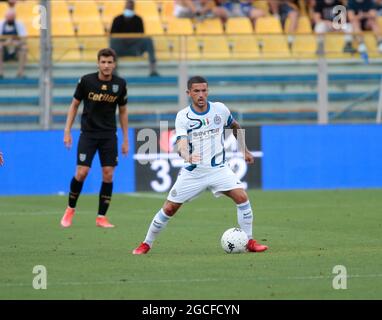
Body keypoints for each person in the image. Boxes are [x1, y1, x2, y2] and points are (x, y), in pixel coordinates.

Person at [132, 76, 269, 255]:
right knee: (169, 208)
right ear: (189, 93)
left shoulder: (220, 109)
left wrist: (244, 149)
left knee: (242, 197)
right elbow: (180, 143)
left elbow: (234, 126)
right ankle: (146, 243)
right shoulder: (183, 116)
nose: (201, 95)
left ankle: (250, 241)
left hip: (219, 169)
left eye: (204, 90)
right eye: (196, 91)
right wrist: (187, 155)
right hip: (194, 172)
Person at [60, 48, 129, 229]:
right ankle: (70, 209)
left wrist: (125, 138)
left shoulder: (120, 84)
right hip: (88, 134)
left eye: (109, 62)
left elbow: (122, 111)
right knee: (81, 172)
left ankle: (101, 217)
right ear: (98, 63)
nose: (106, 66)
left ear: (114, 64)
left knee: (108, 174)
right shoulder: (86, 81)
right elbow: (74, 105)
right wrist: (67, 131)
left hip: (109, 135)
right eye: (103, 62)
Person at [109, 0, 160, 77]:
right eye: (128, 6)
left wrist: (131, 39)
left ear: (133, 7)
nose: (129, 8)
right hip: (120, 47)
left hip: (135, 48)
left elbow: (141, 34)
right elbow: (112, 35)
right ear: (124, 6)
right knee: (113, 41)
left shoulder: (138, 19)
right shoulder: (117, 19)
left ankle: (153, 69)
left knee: (148, 40)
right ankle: (113, 71)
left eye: (131, 6)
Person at [0, 7, 27, 78]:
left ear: (15, 17)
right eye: (9, 17)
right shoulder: (1, 24)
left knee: (24, 48)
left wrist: (16, 43)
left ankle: (20, 72)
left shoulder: (19, 24)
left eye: (12, 17)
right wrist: (5, 43)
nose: (10, 19)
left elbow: (24, 39)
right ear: (5, 16)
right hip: (4, 47)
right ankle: (0, 72)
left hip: (16, 47)